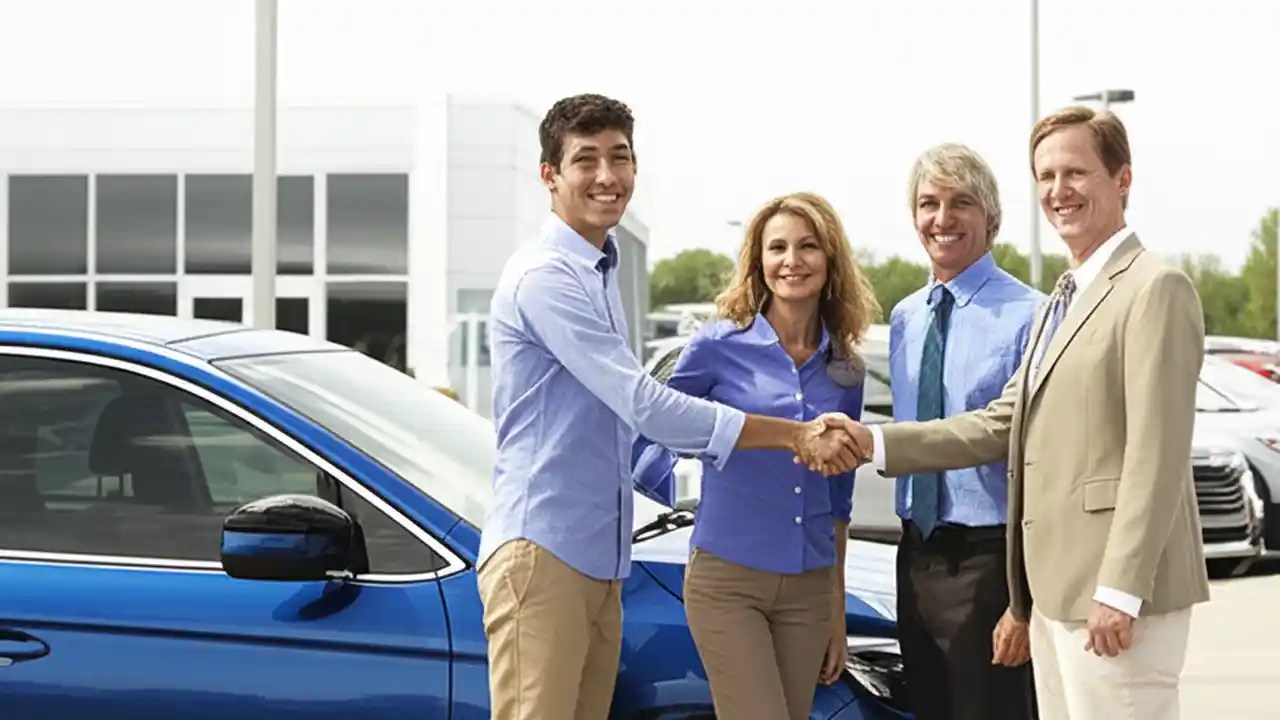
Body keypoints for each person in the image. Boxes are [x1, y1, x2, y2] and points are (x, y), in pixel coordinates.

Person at [479, 94, 861, 720]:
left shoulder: (598, 271)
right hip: (543, 549)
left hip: (598, 559)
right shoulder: (544, 278)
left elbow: (626, 431)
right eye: (586, 160)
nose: (607, 175)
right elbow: (646, 408)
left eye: (620, 157)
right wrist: (792, 437)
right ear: (549, 175)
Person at [839, 106, 1210, 720]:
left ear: (1122, 180)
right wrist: (873, 443)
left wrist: (1119, 590)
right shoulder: (1068, 297)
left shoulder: (1155, 287)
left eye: (1076, 173)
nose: (1059, 191)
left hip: (1111, 596)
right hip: (1060, 591)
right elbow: (1002, 423)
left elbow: (1157, 453)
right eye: (1045, 176)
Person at [632, 191, 879, 720]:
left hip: (811, 588)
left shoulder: (846, 369)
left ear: (830, 260)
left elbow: (840, 499)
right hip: (729, 582)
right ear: (759, 261)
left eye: (808, 246)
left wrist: (836, 607)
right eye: (778, 248)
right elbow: (658, 429)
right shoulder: (715, 347)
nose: (793, 260)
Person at [889, 143, 1042, 720]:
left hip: (991, 563)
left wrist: (1023, 601)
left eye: (961, 203)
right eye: (929, 203)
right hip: (916, 555)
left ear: (992, 218)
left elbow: (1034, 456)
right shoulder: (906, 317)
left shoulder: (1033, 314)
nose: (943, 219)